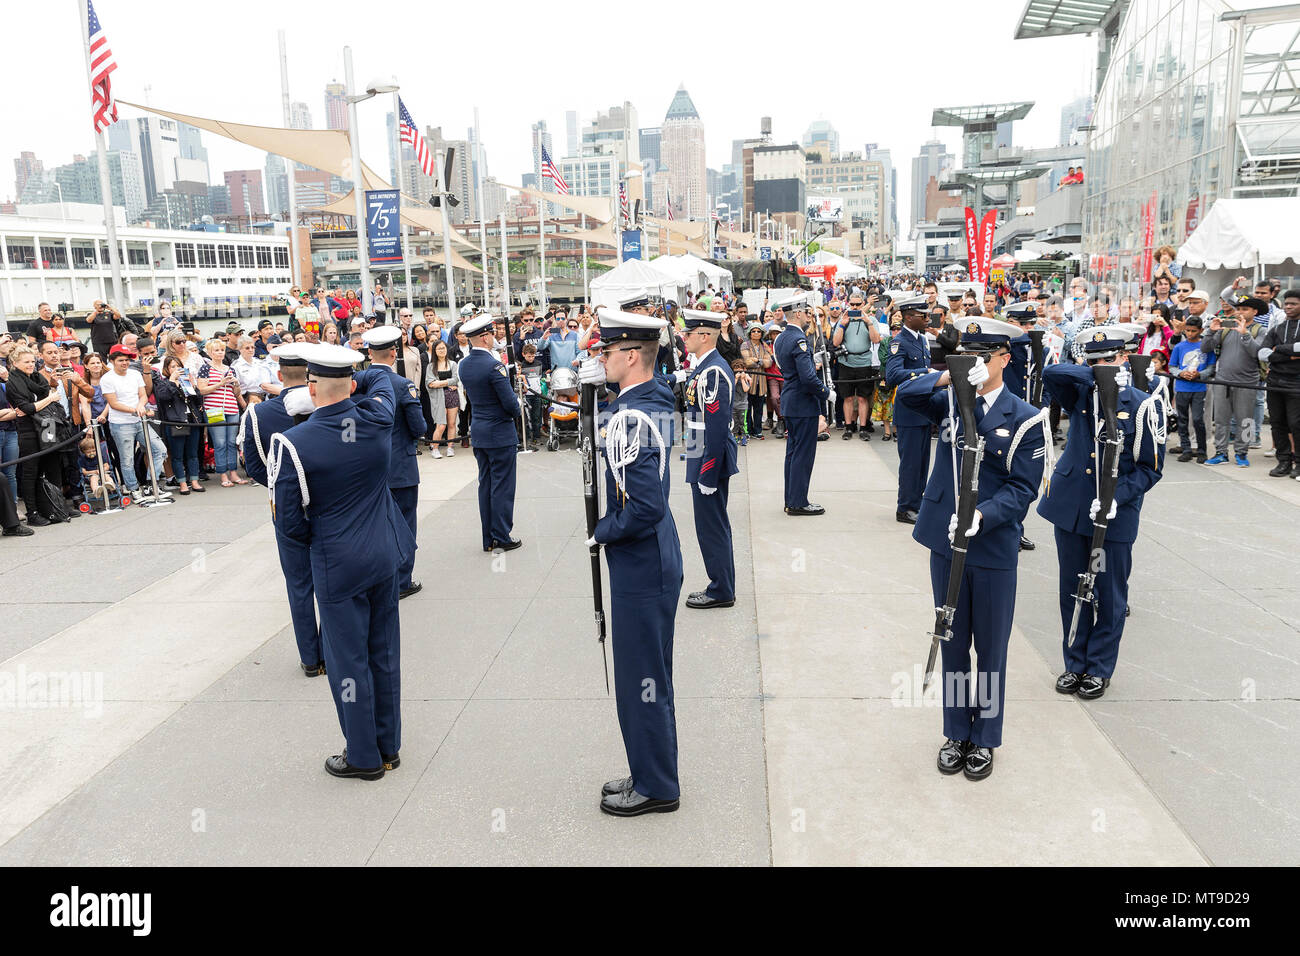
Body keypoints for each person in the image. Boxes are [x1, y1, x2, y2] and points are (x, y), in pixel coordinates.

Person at [896, 317, 1049, 781]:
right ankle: (957, 732)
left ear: (1005, 358)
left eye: (984, 356)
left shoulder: (1025, 417)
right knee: (953, 639)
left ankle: (985, 737)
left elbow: (1024, 488)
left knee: (991, 646)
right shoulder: (950, 401)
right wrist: (949, 375)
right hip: (944, 540)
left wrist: (984, 514)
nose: (976, 364)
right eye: (969, 356)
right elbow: (905, 395)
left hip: (992, 546)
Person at [270, 343, 415, 778]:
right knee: (384, 652)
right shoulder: (375, 419)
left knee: (348, 662)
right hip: (384, 552)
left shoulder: (294, 443)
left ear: (310, 389)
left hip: (337, 560)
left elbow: (290, 524)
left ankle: (364, 757)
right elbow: (382, 379)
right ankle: (388, 746)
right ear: (350, 384)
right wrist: (357, 376)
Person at [577, 309, 683, 816]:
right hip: (654, 556)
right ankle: (650, 769)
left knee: (641, 679)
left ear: (632, 355)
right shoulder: (648, 400)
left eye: (607, 352)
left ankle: (657, 785)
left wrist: (602, 532)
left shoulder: (632, 417)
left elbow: (644, 506)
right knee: (650, 675)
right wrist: (598, 401)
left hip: (641, 560)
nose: (600, 358)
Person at [1039, 326, 1165, 701]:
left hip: (1114, 516)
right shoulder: (1081, 394)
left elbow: (1150, 468)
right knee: (1072, 590)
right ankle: (1074, 663)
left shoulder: (1142, 405)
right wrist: (1096, 374)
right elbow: (1051, 373)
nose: (1100, 366)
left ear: (1125, 359)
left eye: (1109, 359)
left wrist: (1116, 497)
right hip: (1073, 510)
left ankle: (1099, 668)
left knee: (1109, 595)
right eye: (1093, 360)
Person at [239, 344, 321, 674]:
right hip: (329, 504)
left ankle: (311, 658)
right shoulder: (329, 406)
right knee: (334, 583)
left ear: (278, 375)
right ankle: (333, 650)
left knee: (300, 585)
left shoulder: (257, 414)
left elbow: (256, 467)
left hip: (285, 506)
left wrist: (283, 489)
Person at [357, 325, 426, 599]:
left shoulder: (357, 382)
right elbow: (418, 427)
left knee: (375, 525)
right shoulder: (401, 385)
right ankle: (401, 582)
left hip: (367, 468)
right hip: (400, 466)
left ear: (370, 353)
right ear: (393, 352)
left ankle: (377, 580)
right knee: (405, 523)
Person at [679, 310, 739, 609]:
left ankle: (721, 589)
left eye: (688, 333)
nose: (683, 337)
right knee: (710, 524)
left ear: (704, 336)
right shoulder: (702, 366)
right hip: (698, 447)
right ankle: (721, 583)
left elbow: (716, 430)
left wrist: (708, 474)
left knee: (711, 526)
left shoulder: (713, 371)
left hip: (707, 453)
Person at [459, 315, 522, 551]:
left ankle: (489, 537)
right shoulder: (494, 366)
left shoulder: (465, 365)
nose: (494, 336)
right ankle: (502, 536)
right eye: (491, 333)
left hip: (480, 431)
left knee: (485, 484)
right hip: (499, 432)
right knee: (502, 486)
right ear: (485, 337)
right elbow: (510, 405)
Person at [775, 302, 831, 516]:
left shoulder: (781, 337)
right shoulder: (799, 339)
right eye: (807, 312)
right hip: (802, 404)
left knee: (793, 453)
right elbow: (807, 379)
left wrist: (810, 360)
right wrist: (827, 393)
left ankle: (791, 499)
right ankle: (798, 502)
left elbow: (786, 366)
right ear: (797, 314)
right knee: (803, 455)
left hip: (791, 402)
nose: (809, 315)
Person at [885, 295, 934, 524]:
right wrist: (926, 373)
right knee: (911, 464)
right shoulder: (899, 341)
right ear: (907, 317)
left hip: (924, 410)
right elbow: (892, 375)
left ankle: (918, 502)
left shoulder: (922, 340)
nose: (927, 318)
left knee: (922, 463)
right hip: (909, 412)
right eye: (922, 315)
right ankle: (905, 507)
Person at [99, 344, 169, 504]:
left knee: (160, 449)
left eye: (127, 360)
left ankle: (152, 484)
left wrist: (140, 406)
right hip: (121, 424)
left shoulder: (135, 374)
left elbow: (143, 395)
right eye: (121, 360)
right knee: (127, 459)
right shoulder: (107, 379)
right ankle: (134, 489)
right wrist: (135, 410)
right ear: (112, 361)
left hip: (140, 420)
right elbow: (113, 403)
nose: (125, 363)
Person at [1203, 297, 1267, 467]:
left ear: (1255, 312)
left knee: (1246, 420)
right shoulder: (1226, 328)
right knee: (1221, 420)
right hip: (1222, 380)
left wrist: (1245, 333)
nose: (1240, 312)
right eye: (1239, 308)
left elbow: (1257, 353)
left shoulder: (1260, 330)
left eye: (1245, 309)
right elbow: (1205, 347)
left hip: (1247, 382)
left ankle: (1242, 453)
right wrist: (1211, 330)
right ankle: (1220, 452)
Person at [1258, 289, 1300, 477]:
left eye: (1293, 303)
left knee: (1296, 423)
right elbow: (1262, 354)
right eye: (1287, 303)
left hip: (1296, 384)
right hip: (1275, 382)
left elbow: (1274, 352)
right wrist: (1289, 356)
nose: (1288, 307)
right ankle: (1283, 461)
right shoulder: (1277, 328)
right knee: (1277, 423)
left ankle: (1298, 462)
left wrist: (1279, 350)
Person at [832, 292, 883, 441]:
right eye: (852, 304)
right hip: (846, 362)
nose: (854, 307)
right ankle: (848, 427)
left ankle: (863, 427)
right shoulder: (843, 319)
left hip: (864, 362)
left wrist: (868, 322)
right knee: (847, 398)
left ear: (863, 304)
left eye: (858, 304)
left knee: (862, 398)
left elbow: (876, 340)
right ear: (848, 304)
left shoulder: (871, 319)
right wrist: (843, 324)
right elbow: (835, 342)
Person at [196, 338, 247, 486]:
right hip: (213, 408)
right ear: (210, 352)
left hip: (231, 407)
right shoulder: (205, 368)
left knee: (232, 442)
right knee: (220, 442)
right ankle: (223, 474)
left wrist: (235, 383)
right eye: (216, 350)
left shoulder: (230, 369)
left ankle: (233, 473)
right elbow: (202, 390)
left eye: (221, 350)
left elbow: (237, 392)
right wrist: (221, 383)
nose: (219, 353)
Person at [152, 355, 203, 495]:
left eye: (178, 366)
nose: (176, 369)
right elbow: (164, 397)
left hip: (191, 420)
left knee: (193, 454)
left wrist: (193, 386)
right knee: (177, 455)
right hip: (175, 421)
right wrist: (173, 381)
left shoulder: (186, 380)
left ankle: (194, 481)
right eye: (172, 367)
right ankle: (182, 483)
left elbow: (198, 401)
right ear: (167, 369)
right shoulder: (163, 383)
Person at [1168, 314, 1213, 462]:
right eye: (1187, 330)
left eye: (1193, 331)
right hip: (1182, 387)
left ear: (1200, 330)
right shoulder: (1180, 346)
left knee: (1198, 419)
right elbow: (1172, 366)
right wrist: (1181, 373)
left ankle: (1201, 450)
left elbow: (1211, 367)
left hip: (1199, 388)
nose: (1190, 334)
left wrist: (1199, 374)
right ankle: (1186, 449)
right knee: (1182, 419)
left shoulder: (1206, 346)